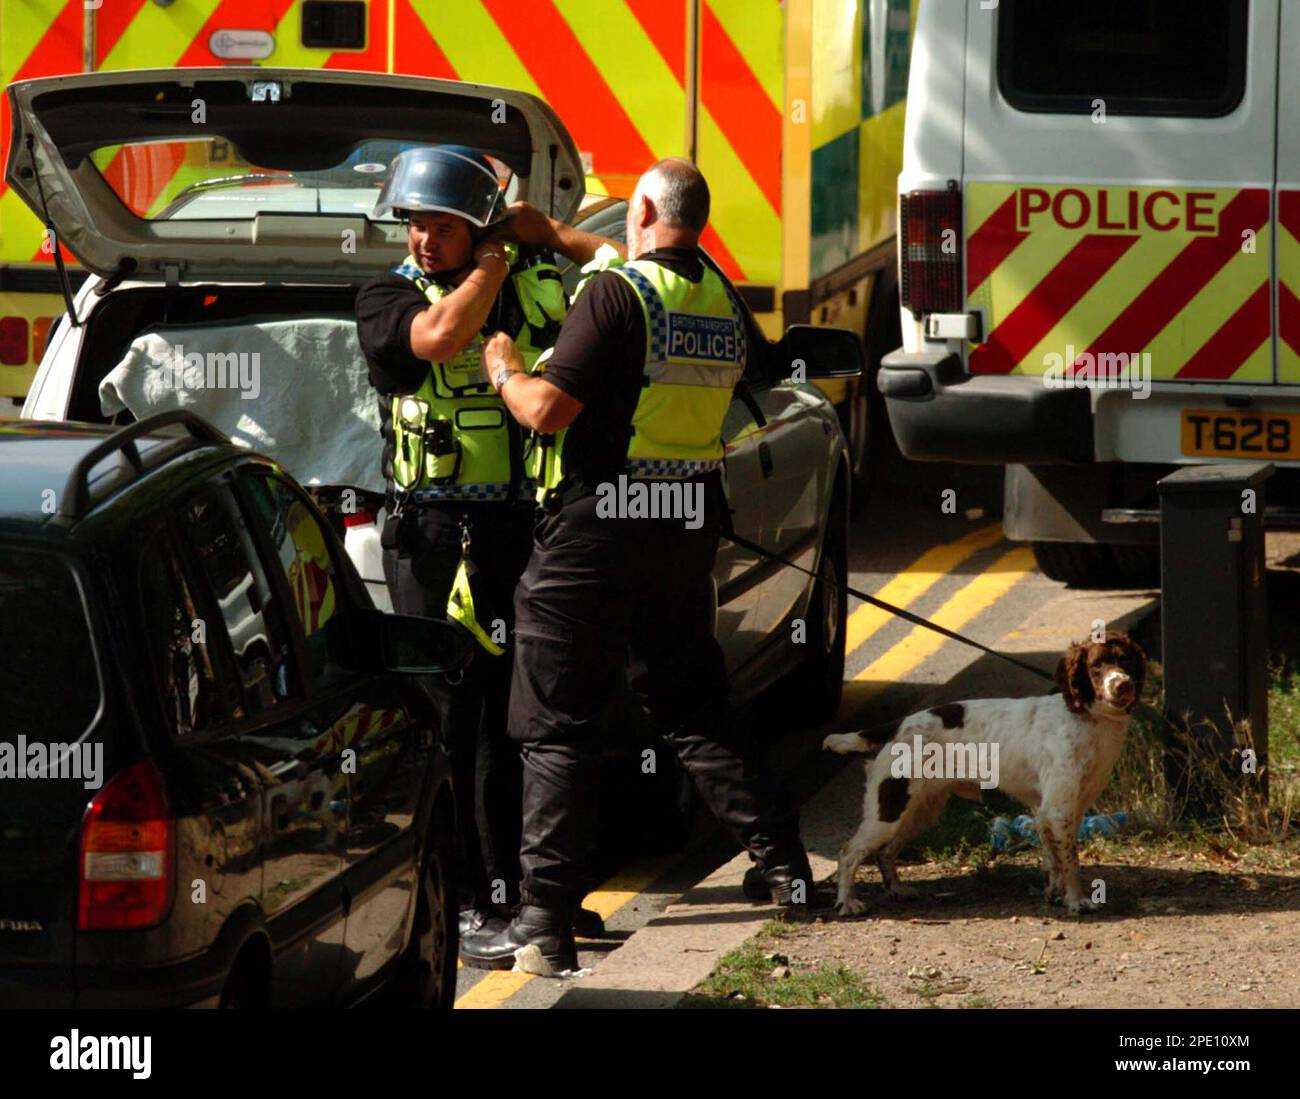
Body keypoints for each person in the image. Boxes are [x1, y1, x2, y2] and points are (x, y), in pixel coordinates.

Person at [460, 158, 813, 975]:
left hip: (597, 529)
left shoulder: (616, 298)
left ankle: (543, 924)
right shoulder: (716, 297)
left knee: (555, 717)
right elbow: (621, 259)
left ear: (644, 208)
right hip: (681, 521)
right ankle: (786, 867)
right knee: (693, 699)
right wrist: (551, 233)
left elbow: (548, 412)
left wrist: (505, 367)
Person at [355, 145, 602, 944]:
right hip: (430, 541)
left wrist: (554, 234)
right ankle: (461, 898)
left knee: (518, 718)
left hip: (511, 529)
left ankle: (527, 897)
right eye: (416, 224)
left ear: (476, 227)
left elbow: (630, 273)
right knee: (452, 723)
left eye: (443, 227)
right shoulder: (385, 295)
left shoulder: (533, 284)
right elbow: (437, 337)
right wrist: (491, 266)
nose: (424, 239)